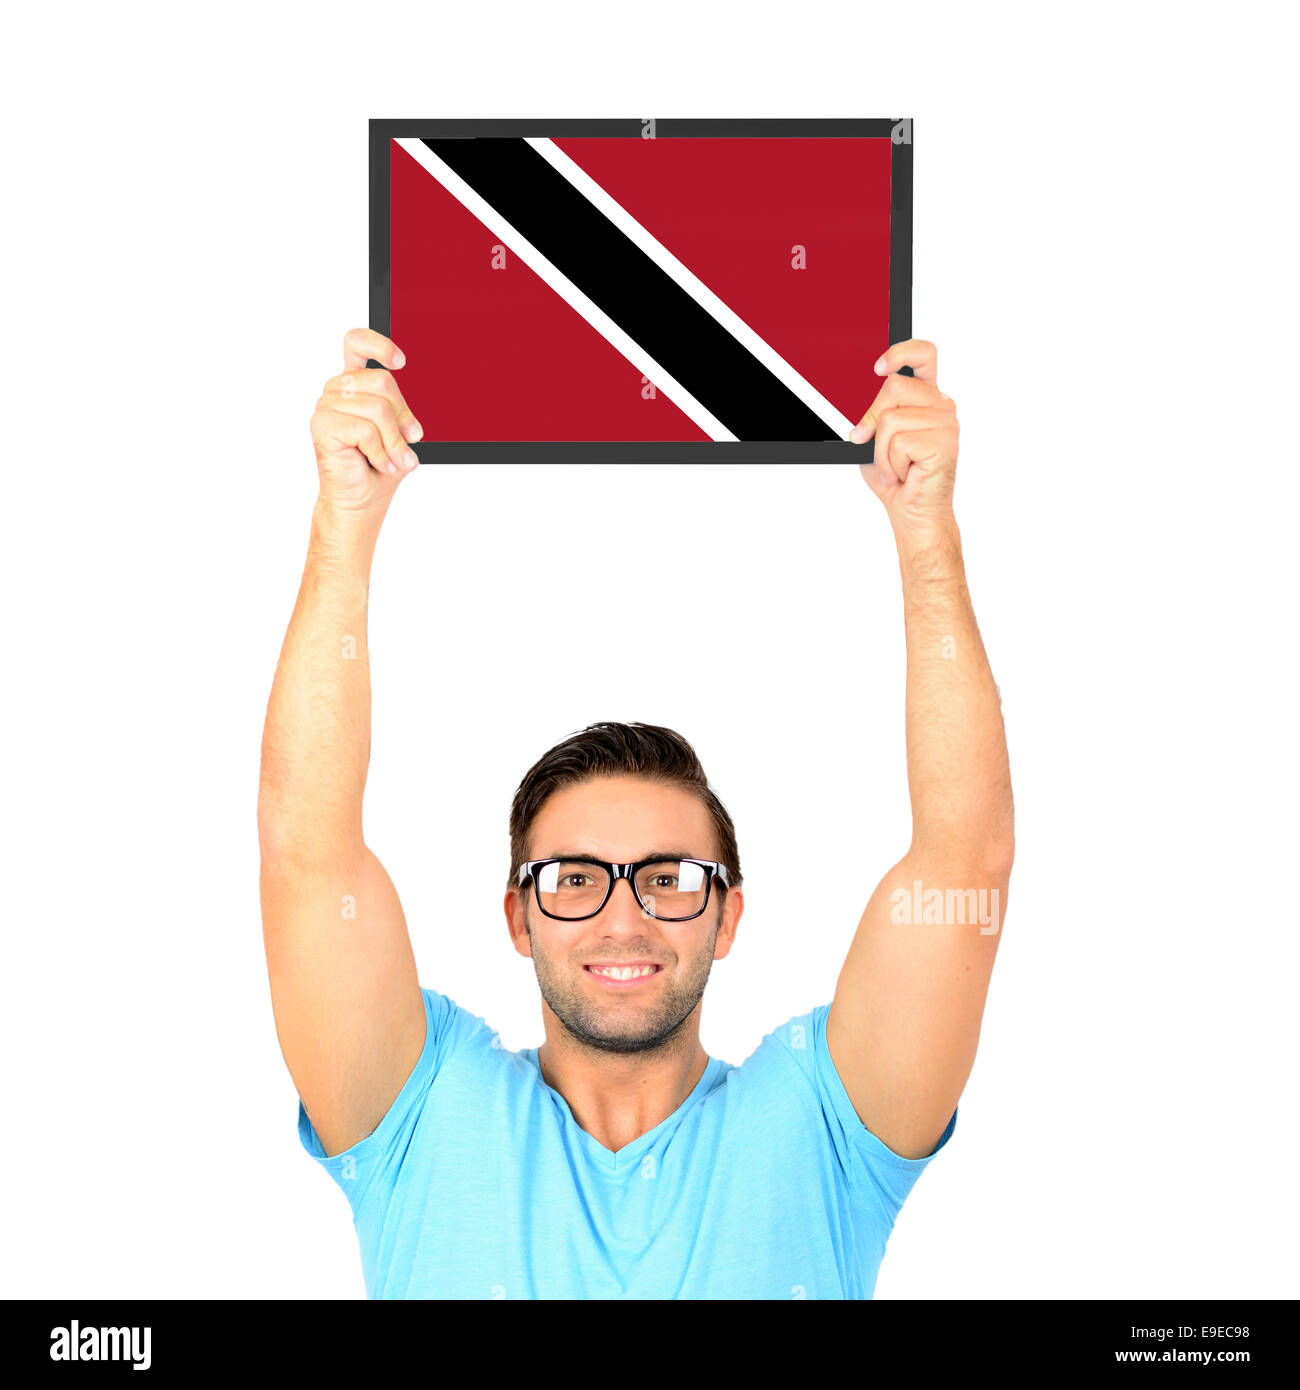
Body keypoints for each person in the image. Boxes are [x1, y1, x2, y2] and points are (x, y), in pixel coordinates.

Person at [257, 328, 1014, 1299]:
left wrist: (926, 534)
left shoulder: (820, 1129)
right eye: (572, 878)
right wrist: (344, 516)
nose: (623, 916)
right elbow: (304, 851)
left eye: (669, 878)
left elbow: (965, 865)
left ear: (728, 913)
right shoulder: (422, 1111)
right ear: (516, 916)